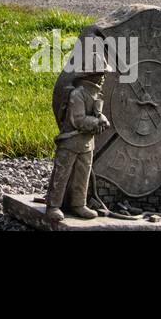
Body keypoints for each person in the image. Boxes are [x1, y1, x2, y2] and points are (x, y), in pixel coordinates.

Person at [46, 49, 111, 222]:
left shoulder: (94, 94)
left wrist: (102, 119)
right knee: (62, 174)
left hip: (86, 143)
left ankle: (79, 204)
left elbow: (96, 115)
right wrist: (97, 122)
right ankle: (53, 205)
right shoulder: (78, 94)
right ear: (90, 75)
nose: (103, 77)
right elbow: (78, 120)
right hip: (70, 141)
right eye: (101, 74)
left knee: (82, 175)